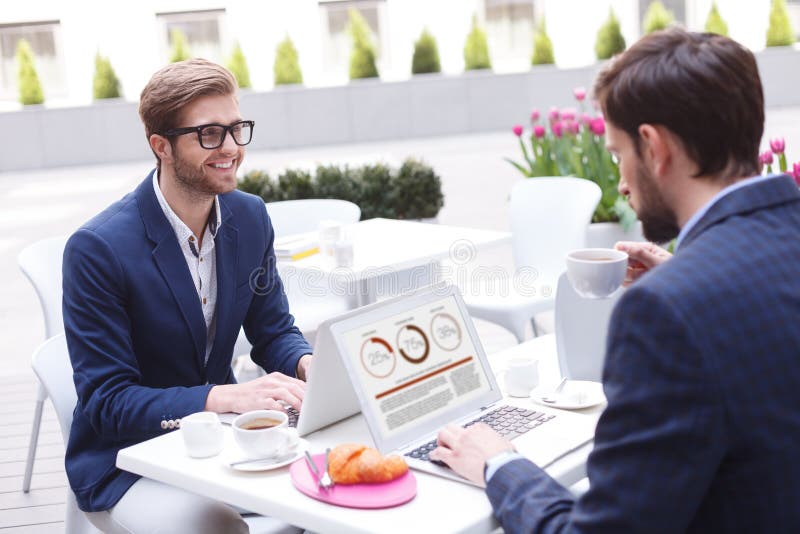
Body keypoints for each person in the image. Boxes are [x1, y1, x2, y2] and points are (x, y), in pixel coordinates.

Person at [431, 28, 800, 533]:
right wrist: (686, 276)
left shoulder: (666, 313)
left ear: (654, 146)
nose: (622, 183)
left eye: (617, 153)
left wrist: (500, 464)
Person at [62, 59, 312, 533]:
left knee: (332, 494)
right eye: (210, 134)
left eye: (238, 129)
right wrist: (223, 397)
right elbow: (108, 403)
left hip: (221, 441)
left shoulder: (250, 216)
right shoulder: (97, 250)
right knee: (219, 529)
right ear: (162, 147)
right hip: (127, 460)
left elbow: (274, 329)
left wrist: (307, 364)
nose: (232, 148)